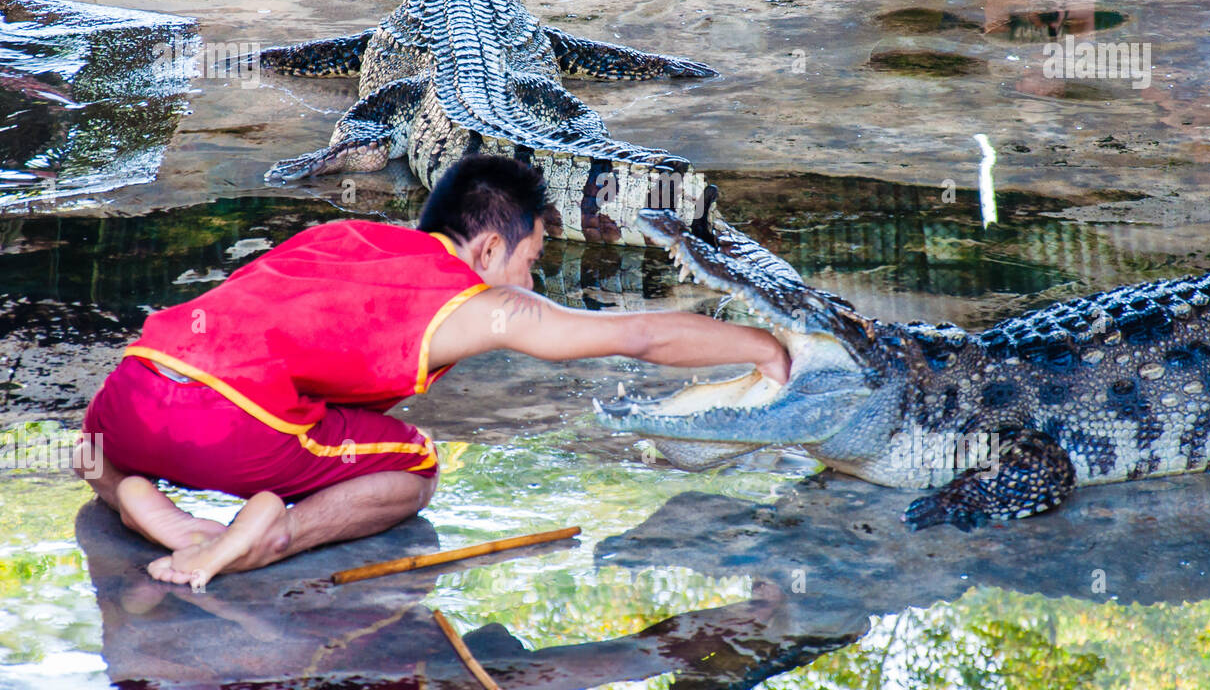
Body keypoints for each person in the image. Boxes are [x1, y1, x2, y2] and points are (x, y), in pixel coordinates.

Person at [75, 155, 790, 590]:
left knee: (100, 455)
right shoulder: (474, 302)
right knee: (412, 463)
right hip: (230, 420)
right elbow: (634, 337)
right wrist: (763, 344)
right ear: (485, 251)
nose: (530, 279)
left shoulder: (341, 235)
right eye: (531, 260)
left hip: (127, 398)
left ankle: (157, 517)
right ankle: (265, 538)